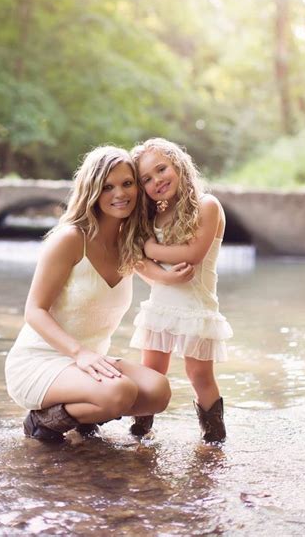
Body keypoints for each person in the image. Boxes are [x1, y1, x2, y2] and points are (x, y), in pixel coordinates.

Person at [5, 146, 191, 442]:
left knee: (158, 391)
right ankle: (42, 421)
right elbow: (34, 311)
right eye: (107, 187)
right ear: (92, 190)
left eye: (128, 183)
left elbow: (166, 278)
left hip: (93, 362)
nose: (120, 193)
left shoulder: (130, 245)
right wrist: (80, 354)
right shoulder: (69, 239)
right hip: (42, 361)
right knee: (121, 392)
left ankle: (87, 410)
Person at [129, 138, 233, 443]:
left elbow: (193, 254)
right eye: (146, 179)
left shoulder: (207, 205)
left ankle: (213, 435)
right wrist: (161, 272)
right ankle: (140, 431)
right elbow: (137, 262)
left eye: (161, 169)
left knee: (199, 375)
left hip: (196, 309)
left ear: (179, 165)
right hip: (160, 307)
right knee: (151, 372)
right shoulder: (153, 217)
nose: (156, 180)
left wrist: (151, 247)